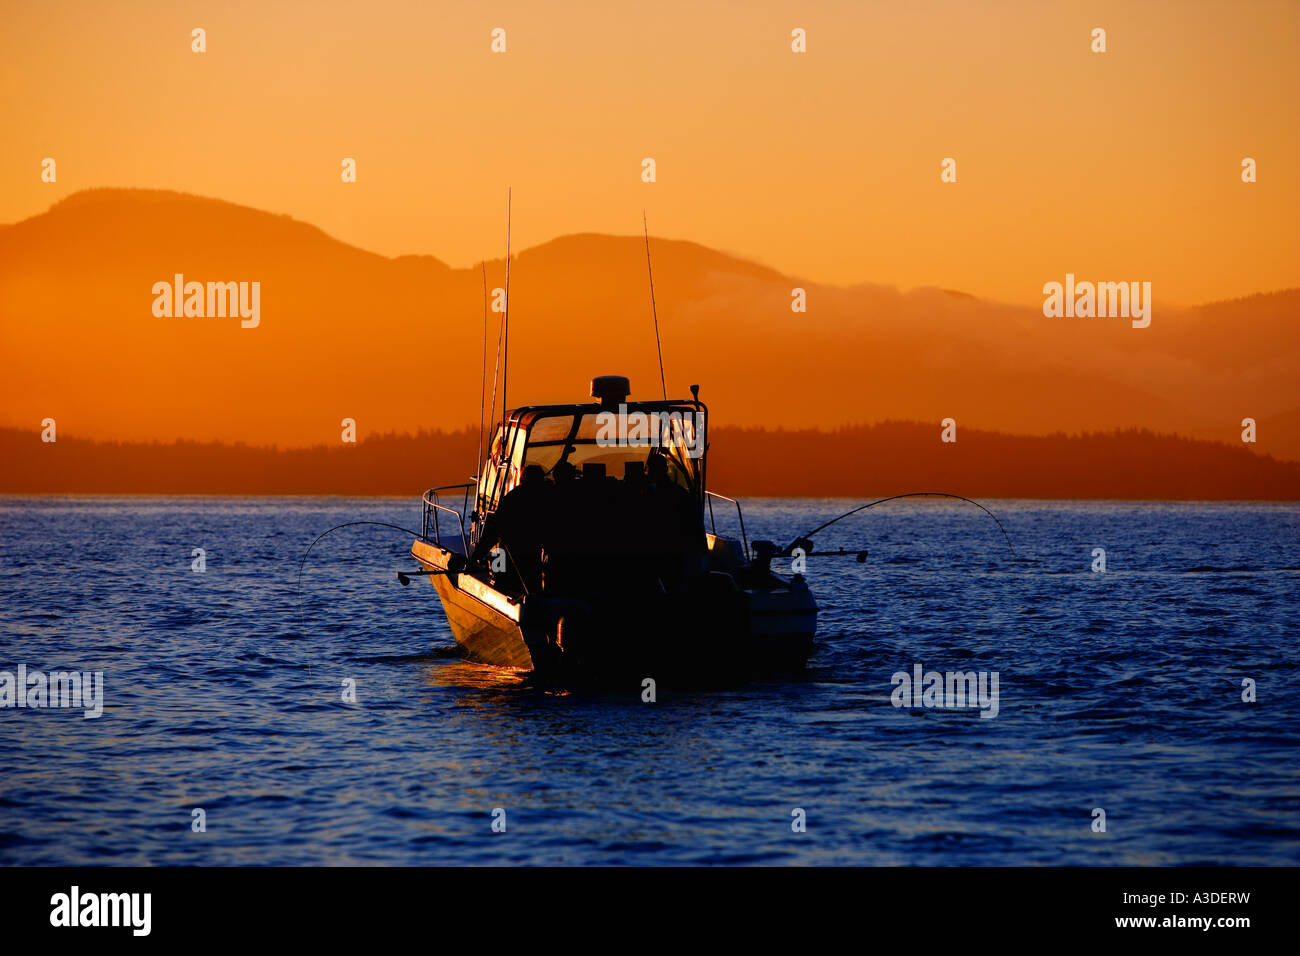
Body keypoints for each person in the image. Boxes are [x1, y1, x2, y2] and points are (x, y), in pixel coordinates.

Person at [471, 464, 551, 593]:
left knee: (502, 582)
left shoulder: (513, 497)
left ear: (523, 478)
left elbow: (493, 529)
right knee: (532, 587)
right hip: (530, 553)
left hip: (511, 551)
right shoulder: (545, 497)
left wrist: (476, 557)